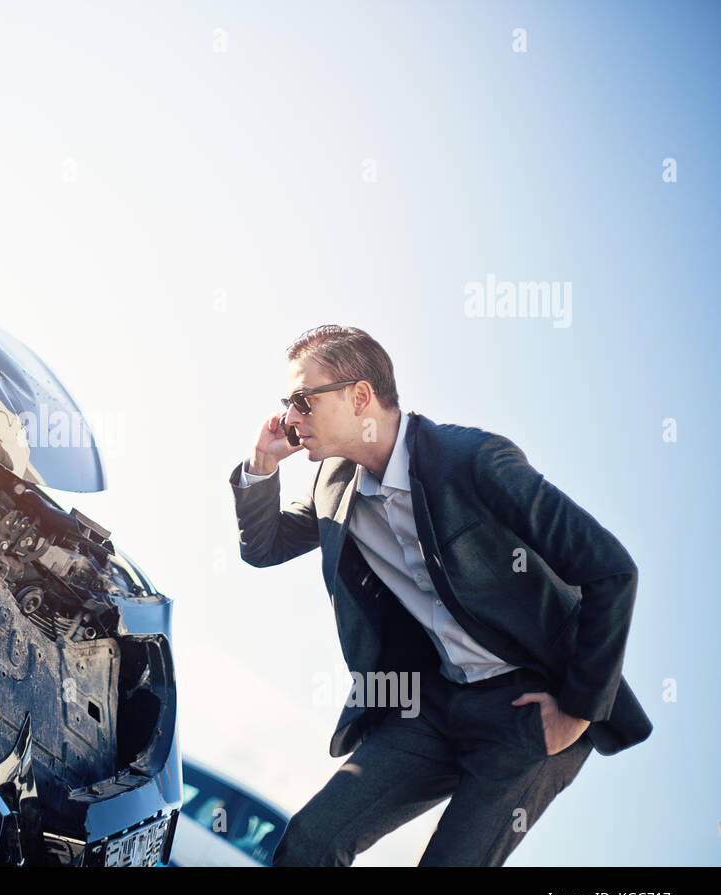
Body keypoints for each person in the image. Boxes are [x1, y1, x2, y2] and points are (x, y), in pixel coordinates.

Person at [229, 324, 650, 866]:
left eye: (303, 400)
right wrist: (260, 468)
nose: (290, 417)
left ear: (361, 396)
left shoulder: (472, 460)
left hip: (527, 711)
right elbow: (263, 548)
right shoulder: (334, 485)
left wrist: (577, 711)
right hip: (431, 703)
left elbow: (612, 571)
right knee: (312, 840)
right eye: (288, 403)